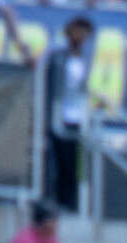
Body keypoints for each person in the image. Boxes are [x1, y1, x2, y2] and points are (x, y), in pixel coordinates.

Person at [42, 16, 93, 212]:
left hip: (77, 117)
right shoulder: (58, 57)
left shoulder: (85, 59)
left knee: (73, 162)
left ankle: (70, 202)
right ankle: (53, 201)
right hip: (59, 114)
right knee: (57, 160)